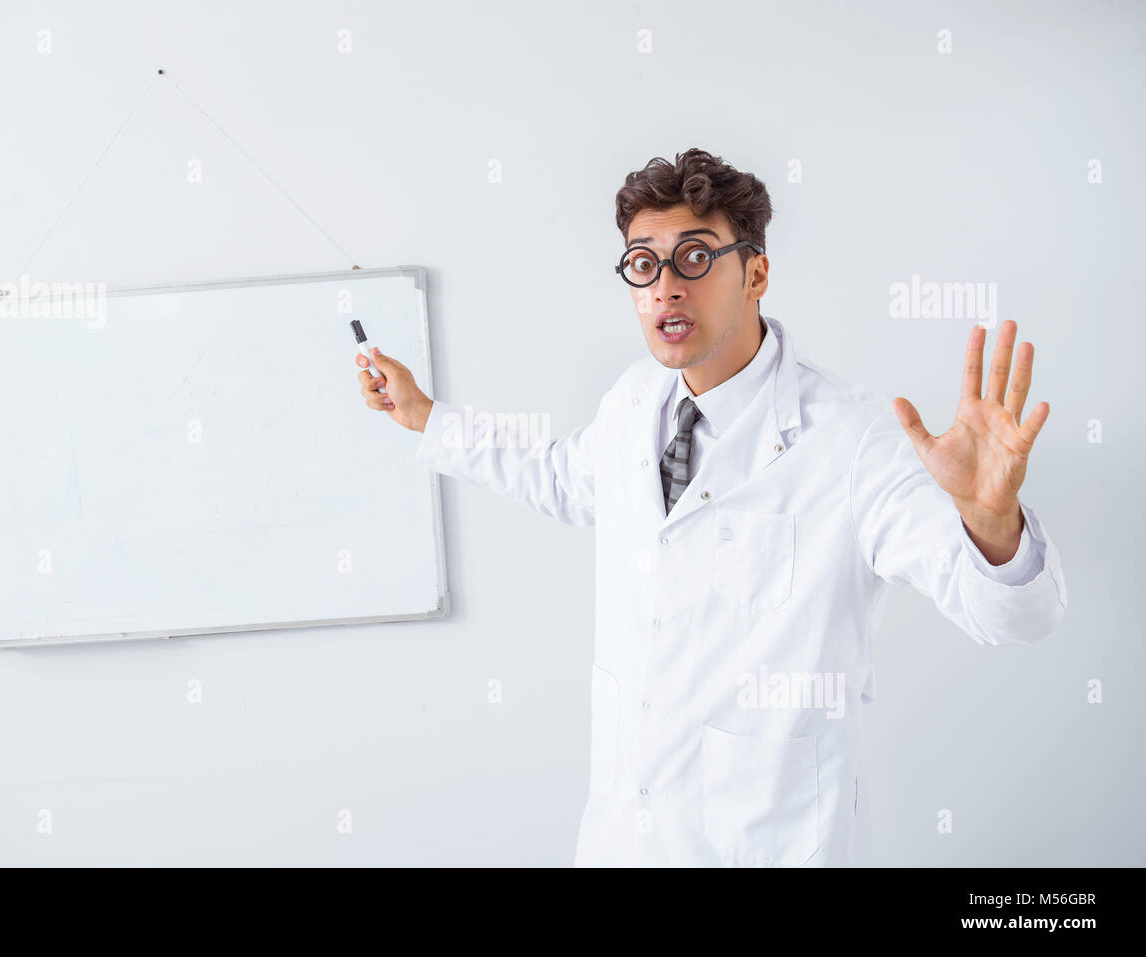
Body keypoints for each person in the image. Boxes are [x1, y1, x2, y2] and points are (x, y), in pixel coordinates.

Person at [352, 148, 1068, 867]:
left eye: (694, 257)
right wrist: (428, 418)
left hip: (772, 844)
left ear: (755, 273)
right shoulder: (635, 400)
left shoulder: (850, 441)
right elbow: (564, 475)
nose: (665, 288)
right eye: (643, 264)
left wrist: (989, 520)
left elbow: (1016, 616)